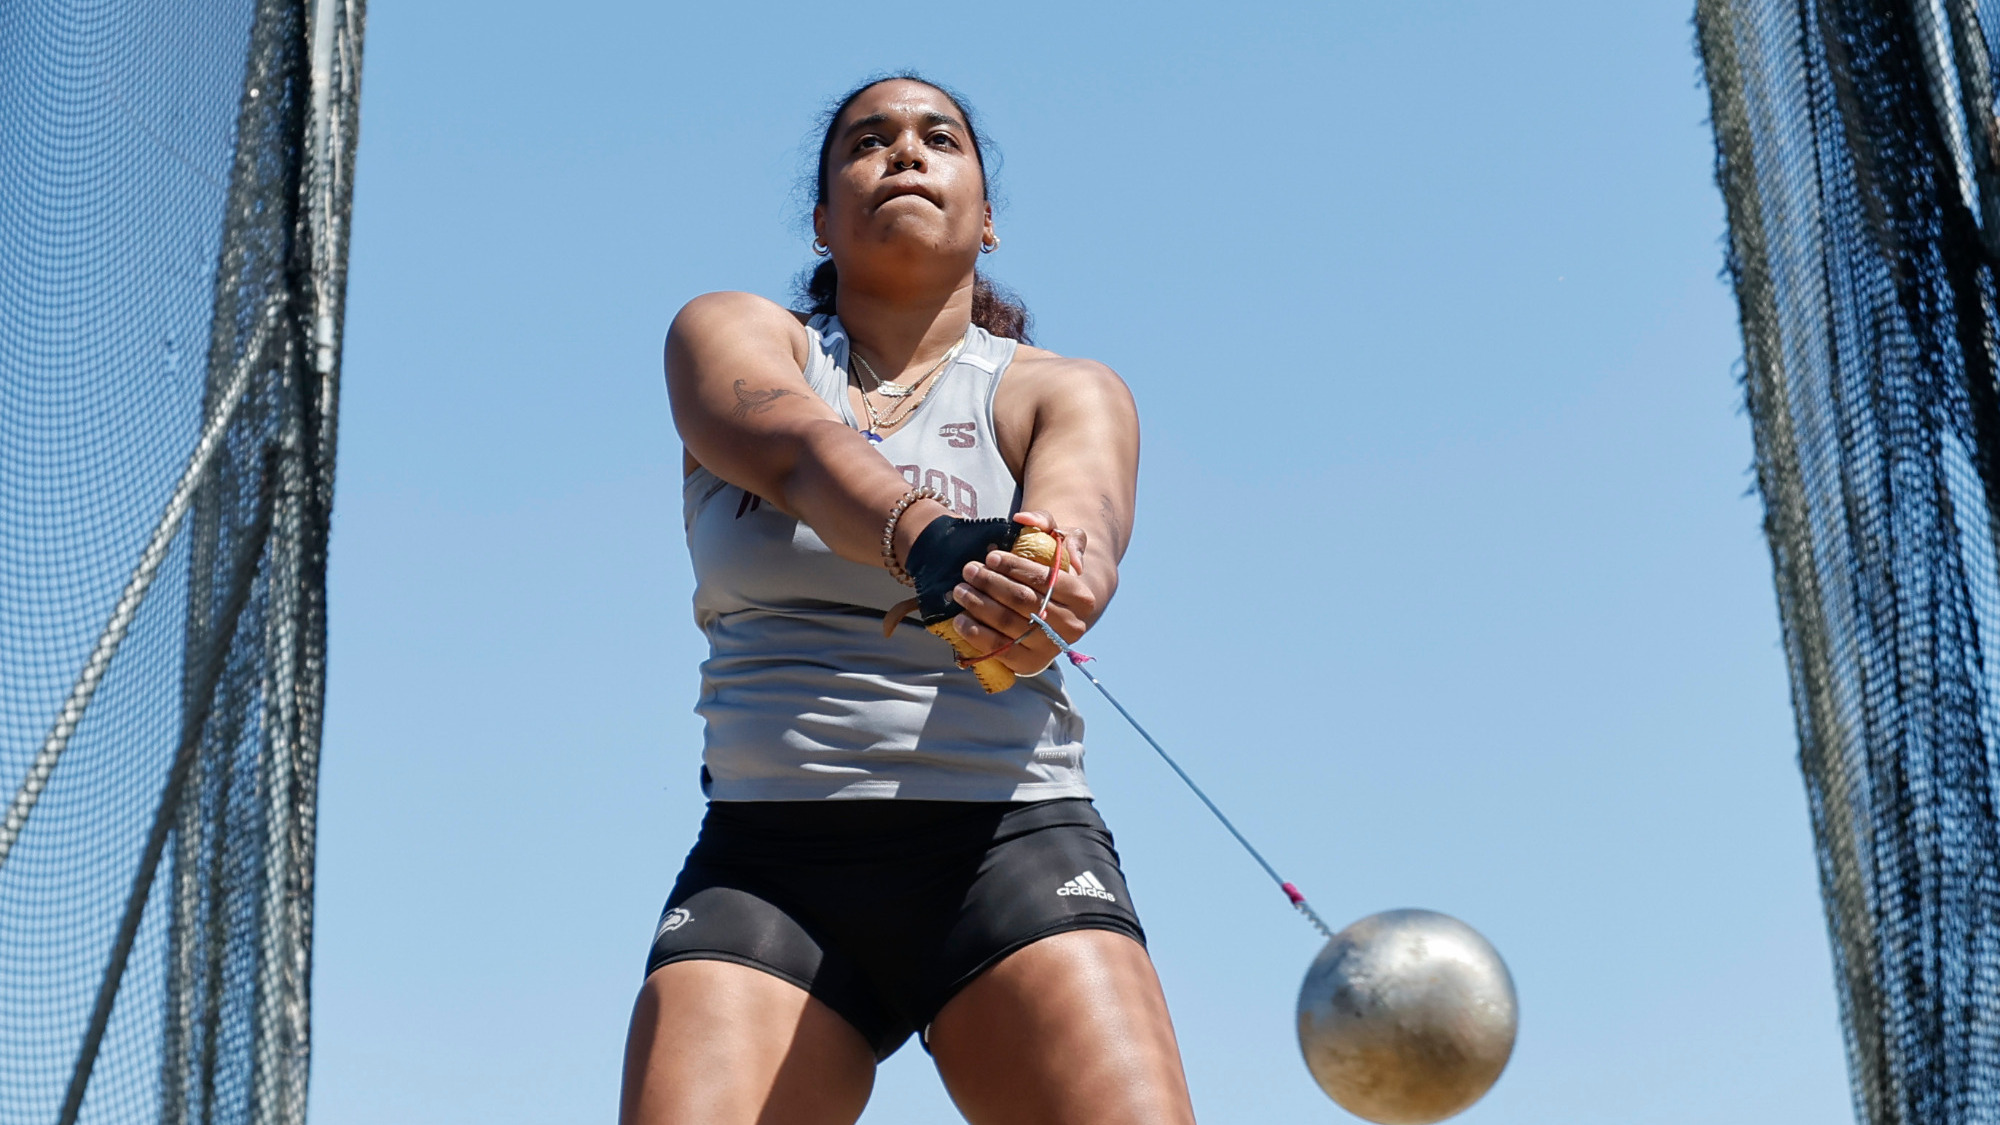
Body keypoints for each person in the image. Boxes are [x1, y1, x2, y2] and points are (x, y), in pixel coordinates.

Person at [621, 74, 1195, 1125]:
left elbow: (1082, 550)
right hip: (769, 865)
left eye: (939, 137)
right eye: (866, 141)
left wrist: (1033, 600)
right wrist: (928, 542)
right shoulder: (737, 337)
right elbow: (797, 455)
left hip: (1009, 851)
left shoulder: (1057, 390)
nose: (904, 151)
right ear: (822, 220)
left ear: (986, 222)